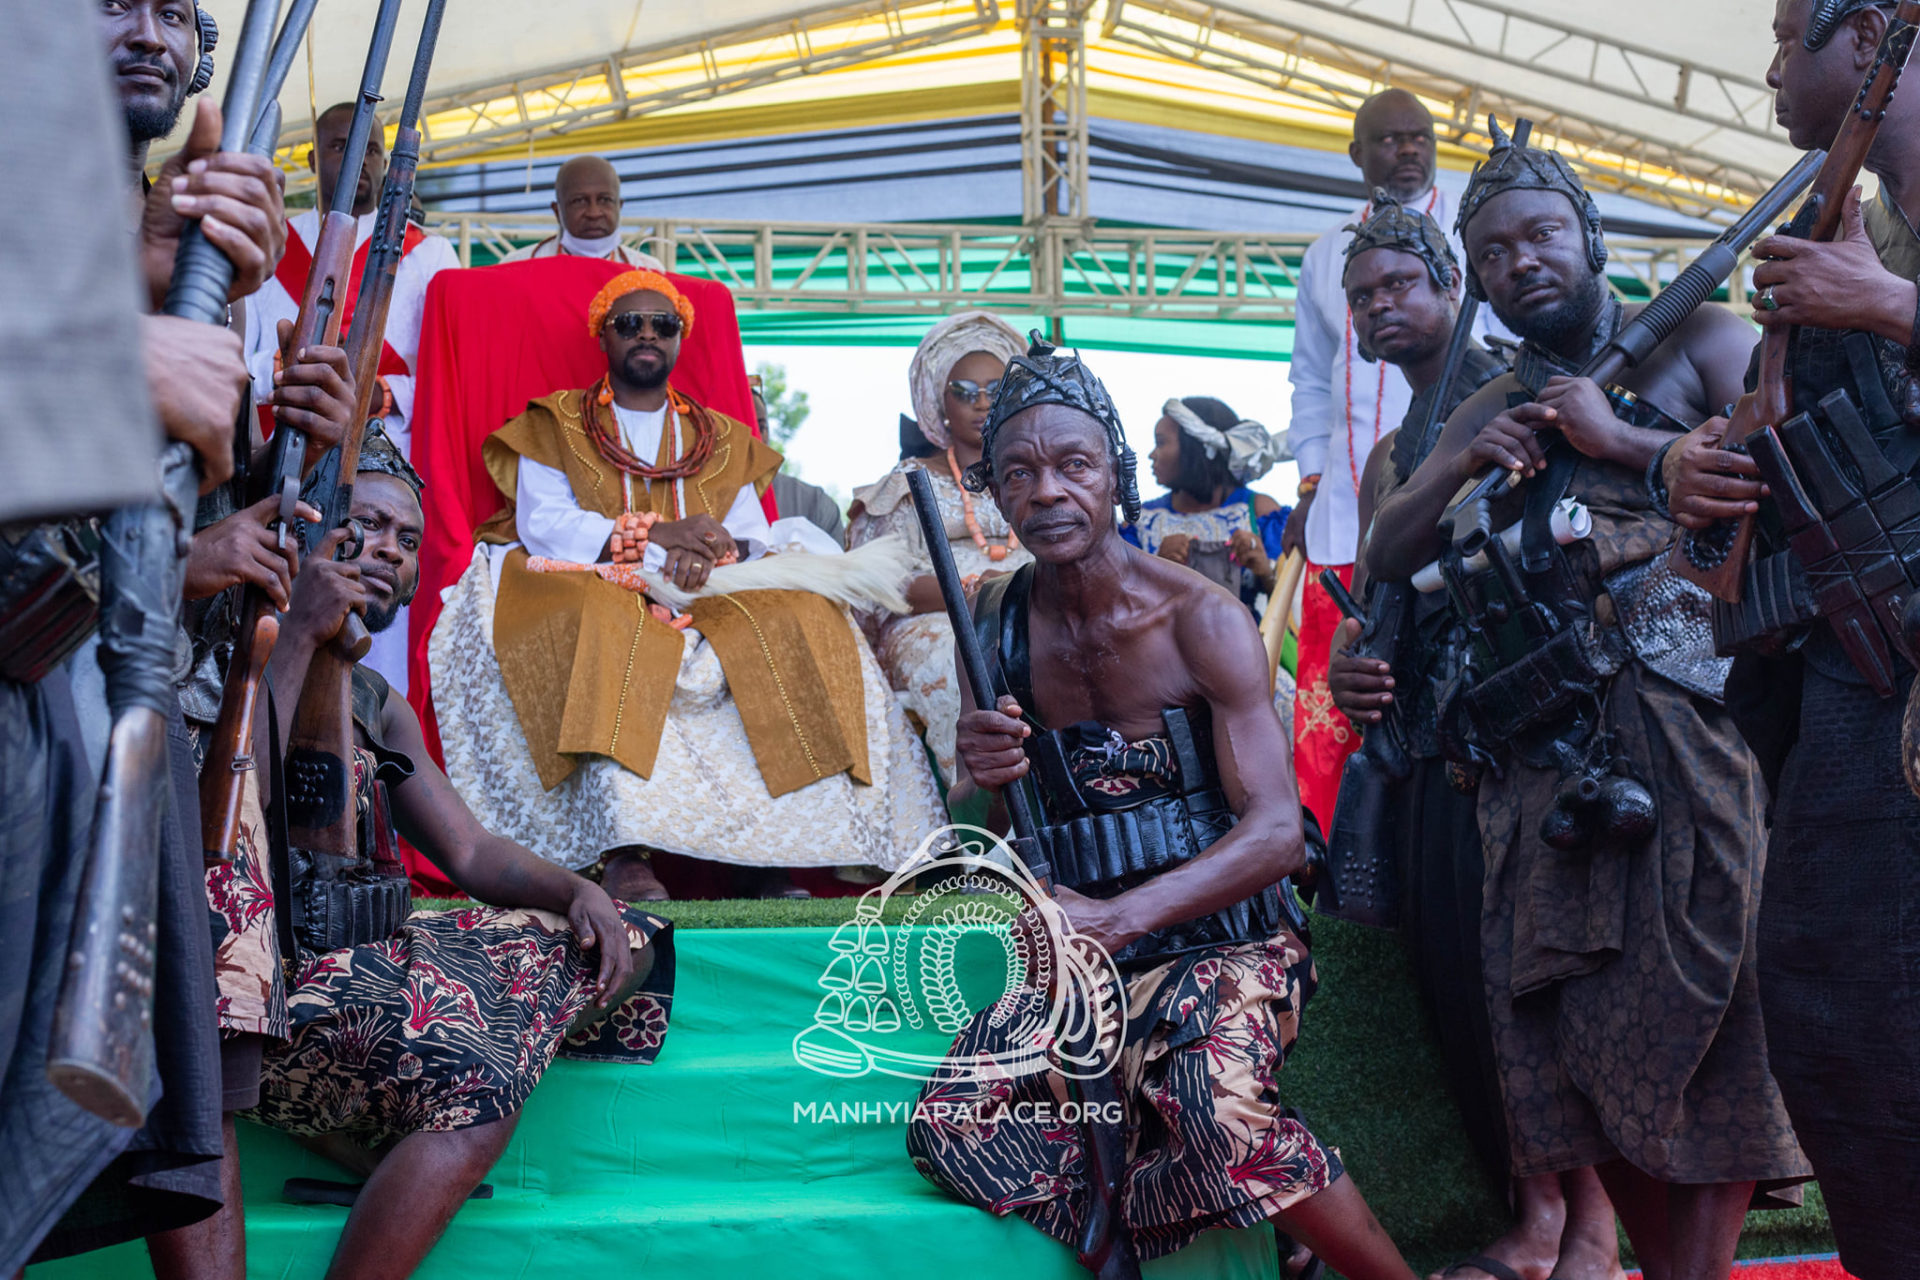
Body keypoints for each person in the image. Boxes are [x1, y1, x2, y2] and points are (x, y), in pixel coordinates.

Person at [1366, 125, 1809, 1280]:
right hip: (1541, 760)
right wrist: (1470, 459)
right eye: (1497, 250)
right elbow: (1385, 543)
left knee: (1705, 1012)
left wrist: (1625, 442)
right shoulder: (1497, 396)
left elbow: (1794, 484)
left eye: (1543, 233)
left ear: (1591, 234)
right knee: (1568, 1039)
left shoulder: (1708, 340)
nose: (1523, 262)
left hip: (1691, 735)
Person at [905, 337, 1418, 1280]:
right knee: (952, 1124)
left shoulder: (1200, 618)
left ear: (1116, 477)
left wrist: (1123, 914)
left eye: (1072, 465)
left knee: (1213, 1108)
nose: (1046, 492)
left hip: (1225, 939)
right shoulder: (995, 623)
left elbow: (1273, 835)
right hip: (1083, 958)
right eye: (1017, 473)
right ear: (994, 492)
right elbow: (982, 827)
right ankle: (1226, 1204)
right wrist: (977, 775)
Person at [192, 431, 673, 1280]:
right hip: (245, 991)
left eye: (408, 541)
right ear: (299, 530)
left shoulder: (377, 700)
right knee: (489, 1081)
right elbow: (226, 822)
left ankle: (372, 1134)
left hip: (362, 961)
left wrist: (580, 890)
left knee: (624, 937)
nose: (389, 552)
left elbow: (469, 849)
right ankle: (427, 1121)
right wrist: (297, 634)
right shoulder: (220, 656)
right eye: (367, 527)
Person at [1325, 199, 1631, 1280]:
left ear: (1453, 287)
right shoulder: (1394, 457)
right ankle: (1536, 1211)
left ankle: (1589, 1222)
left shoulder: (1522, 382)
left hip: (1548, 717)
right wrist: (1345, 669)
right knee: (1471, 982)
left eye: (1401, 284)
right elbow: (1378, 598)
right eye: (1361, 296)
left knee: (1545, 978)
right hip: (1441, 737)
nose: (1379, 307)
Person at [1660, 1, 1920, 1271]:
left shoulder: (1872, 263)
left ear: (1869, 32)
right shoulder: (1854, 234)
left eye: (1785, 36)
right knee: (1841, 1028)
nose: (1766, 69)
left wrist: (1890, 308)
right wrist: (1689, 473)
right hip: (1842, 703)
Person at [429, 270, 947, 901]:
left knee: (798, 617)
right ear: (603, 336)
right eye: (629, 324)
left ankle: (765, 856)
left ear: (679, 339)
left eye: (662, 325)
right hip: (586, 575)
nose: (646, 334)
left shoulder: (721, 437)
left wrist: (708, 552)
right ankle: (622, 853)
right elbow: (548, 528)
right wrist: (657, 538)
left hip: (704, 585)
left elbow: (747, 535)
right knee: (603, 620)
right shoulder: (555, 422)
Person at [1287, 88, 1493, 830]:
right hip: (1347, 509)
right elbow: (1310, 378)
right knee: (1337, 695)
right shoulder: (1324, 254)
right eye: (1389, 140)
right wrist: (1310, 480)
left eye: (1420, 137)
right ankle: (1336, 852)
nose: (1407, 151)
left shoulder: (1472, 231)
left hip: (1461, 506)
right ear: (1358, 155)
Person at [243, 98, 460, 696]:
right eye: (342, 145)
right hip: (287, 458)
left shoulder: (430, 253)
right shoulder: (274, 245)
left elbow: (444, 378)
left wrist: (381, 394)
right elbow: (244, 362)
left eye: (372, 148)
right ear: (314, 157)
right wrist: (295, 377)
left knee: (375, 627)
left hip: (387, 466)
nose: (359, 160)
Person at [848, 312, 1033, 785]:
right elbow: (878, 586)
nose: (982, 403)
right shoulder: (906, 484)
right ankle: (981, 824)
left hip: (1032, 610)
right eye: (965, 392)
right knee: (966, 670)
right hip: (937, 623)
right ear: (939, 401)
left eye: (995, 389)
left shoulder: (1037, 475)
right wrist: (974, 591)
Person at [1127, 394, 1287, 615]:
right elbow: (1117, 606)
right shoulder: (1139, 520)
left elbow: (1298, 607)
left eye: (1161, 442)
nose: (1152, 454)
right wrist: (1159, 568)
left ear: (1195, 447)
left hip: (1246, 647)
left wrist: (1266, 573)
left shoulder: (1259, 510)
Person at [499, 153, 665, 268]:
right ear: (557, 211)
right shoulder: (517, 266)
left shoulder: (648, 270)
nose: (594, 213)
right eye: (579, 201)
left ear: (619, 206)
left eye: (605, 200)